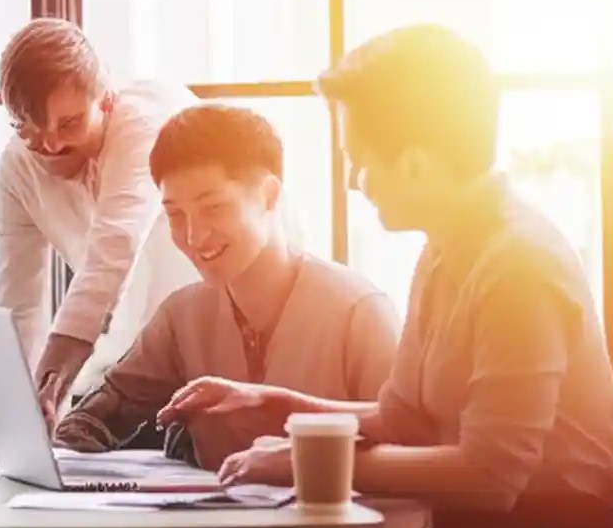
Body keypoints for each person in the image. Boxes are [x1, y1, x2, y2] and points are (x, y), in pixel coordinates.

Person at [159, 25, 613, 528]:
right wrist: (274, 403)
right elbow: (405, 419)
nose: (355, 181)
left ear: (416, 163)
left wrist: (305, 465)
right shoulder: (445, 252)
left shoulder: (517, 263)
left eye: (359, 159)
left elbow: (492, 474)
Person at [56, 103, 399, 472]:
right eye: (175, 214)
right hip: (210, 527)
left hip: (330, 526)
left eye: (214, 208)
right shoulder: (181, 317)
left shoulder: (360, 312)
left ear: (268, 196)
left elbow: (407, 448)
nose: (193, 236)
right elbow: (97, 418)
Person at [0, 17, 201, 421]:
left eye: (67, 124)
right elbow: (17, 296)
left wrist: (55, 377)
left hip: (212, 315)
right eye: (27, 127)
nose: (49, 145)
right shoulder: (17, 165)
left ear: (106, 100)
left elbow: (115, 246)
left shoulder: (142, 124)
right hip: (125, 335)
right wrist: (16, 413)